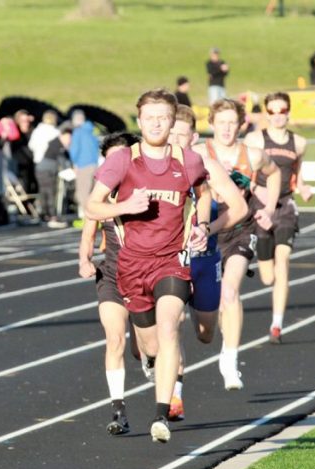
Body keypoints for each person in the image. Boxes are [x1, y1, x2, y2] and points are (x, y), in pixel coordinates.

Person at [85, 89, 211, 443]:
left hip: (172, 261)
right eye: (150, 117)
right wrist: (125, 207)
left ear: (173, 121)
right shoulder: (122, 160)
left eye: (163, 117)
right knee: (151, 344)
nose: (156, 123)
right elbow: (92, 208)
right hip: (132, 264)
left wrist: (200, 227)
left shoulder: (189, 161)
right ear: (139, 122)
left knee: (171, 327)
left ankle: (161, 416)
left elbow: (204, 194)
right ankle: (152, 361)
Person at [166, 105, 248, 420]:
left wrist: (207, 229)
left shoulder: (206, 167)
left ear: (194, 137)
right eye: (170, 132)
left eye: (180, 135)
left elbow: (239, 208)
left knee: (205, 332)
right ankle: (174, 395)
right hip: (168, 261)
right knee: (170, 325)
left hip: (204, 258)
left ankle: (223, 357)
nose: (173, 139)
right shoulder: (151, 165)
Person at [193, 98, 280, 390]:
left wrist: (268, 209)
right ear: (212, 124)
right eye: (222, 123)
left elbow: (276, 172)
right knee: (205, 323)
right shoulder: (197, 154)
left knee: (229, 291)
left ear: (241, 124)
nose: (228, 128)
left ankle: (230, 361)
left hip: (240, 230)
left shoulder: (252, 155)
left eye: (233, 122)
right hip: (205, 231)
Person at [78, 131, 142, 434]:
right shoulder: (99, 196)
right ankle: (118, 409)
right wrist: (84, 259)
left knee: (144, 348)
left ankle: (151, 358)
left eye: (122, 157)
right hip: (112, 274)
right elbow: (89, 230)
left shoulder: (146, 190)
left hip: (145, 275)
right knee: (114, 338)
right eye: (111, 158)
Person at [245, 92, 311, 344]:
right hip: (260, 209)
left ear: (288, 112)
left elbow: (298, 172)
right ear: (266, 114)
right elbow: (244, 174)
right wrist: (255, 190)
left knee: (282, 261)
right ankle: (268, 276)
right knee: (267, 277)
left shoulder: (299, 142)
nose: (277, 116)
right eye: (271, 112)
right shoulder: (255, 139)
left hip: (285, 207)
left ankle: (277, 324)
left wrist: (303, 187)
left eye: (281, 110)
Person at [29, 111, 67, 227]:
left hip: (38, 163)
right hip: (50, 162)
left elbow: (31, 145)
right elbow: (60, 147)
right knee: (51, 190)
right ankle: (52, 215)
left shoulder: (37, 131)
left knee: (43, 190)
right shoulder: (55, 132)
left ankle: (44, 214)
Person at [69, 109, 99, 226]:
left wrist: (74, 163)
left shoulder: (78, 132)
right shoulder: (91, 130)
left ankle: (85, 219)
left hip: (83, 165)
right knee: (93, 192)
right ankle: (97, 217)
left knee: (82, 193)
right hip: (94, 164)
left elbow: (74, 150)